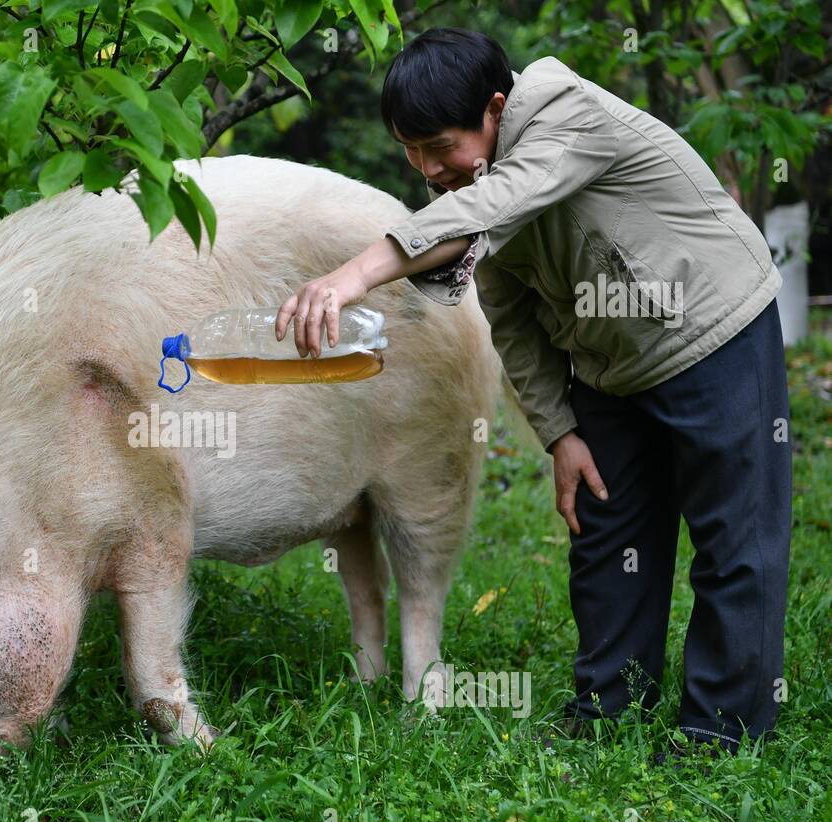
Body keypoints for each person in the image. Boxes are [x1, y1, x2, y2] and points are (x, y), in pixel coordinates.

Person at [276, 28, 789, 756]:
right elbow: (512, 320)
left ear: (495, 108)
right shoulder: (475, 190)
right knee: (607, 534)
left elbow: (502, 202)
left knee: (734, 539)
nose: (427, 168)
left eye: (439, 146)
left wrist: (356, 273)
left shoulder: (562, 110)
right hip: (610, 364)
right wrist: (560, 432)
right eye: (410, 151)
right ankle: (609, 707)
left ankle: (720, 730)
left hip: (711, 328)